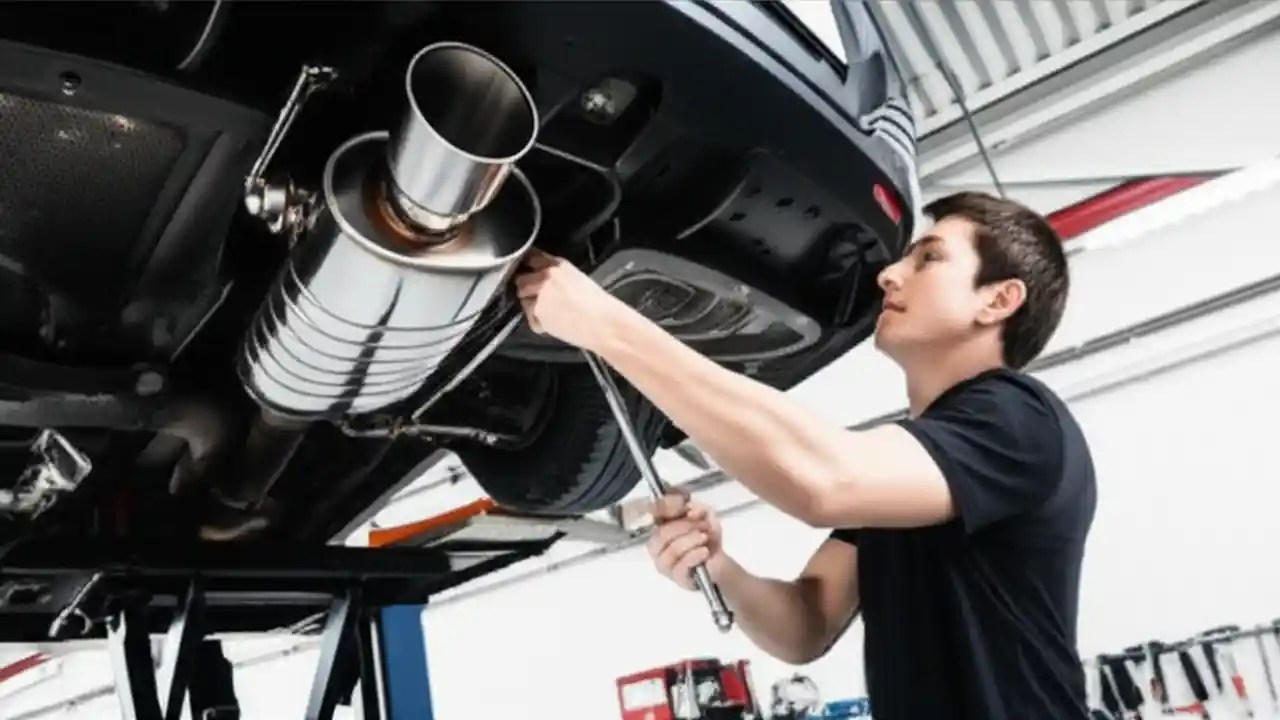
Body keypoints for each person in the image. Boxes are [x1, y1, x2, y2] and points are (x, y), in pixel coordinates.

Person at [513, 191, 1098, 719]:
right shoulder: (911, 469)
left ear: (999, 299)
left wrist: (607, 324)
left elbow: (822, 480)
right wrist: (721, 570)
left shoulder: (1020, 420)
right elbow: (808, 623)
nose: (890, 274)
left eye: (929, 258)